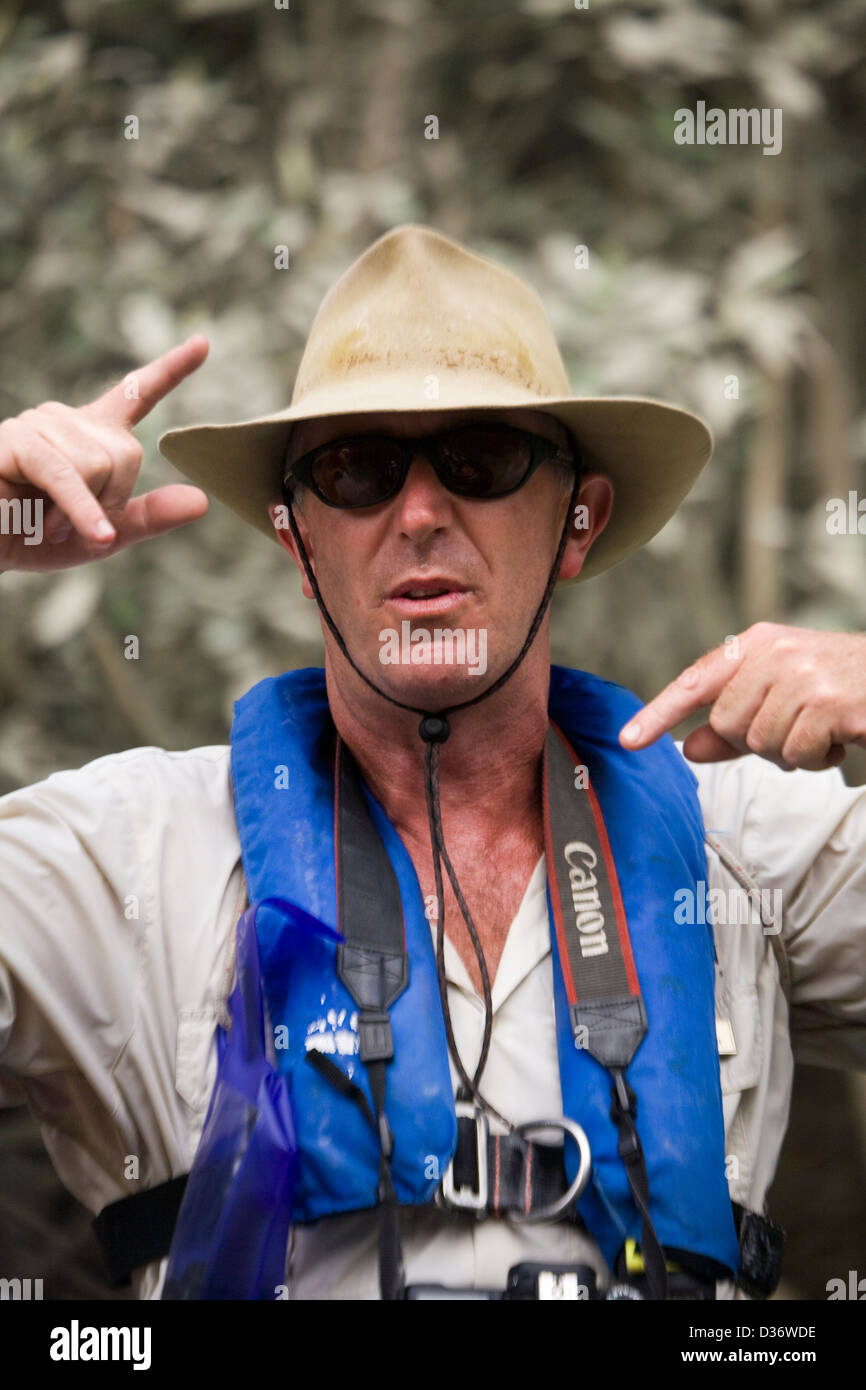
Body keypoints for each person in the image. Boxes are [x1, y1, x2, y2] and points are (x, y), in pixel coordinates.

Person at [1, 225, 864, 1302]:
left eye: (480, 459)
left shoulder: (744, 847)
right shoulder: (125, 859)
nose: (417, 515)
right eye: (356, 470)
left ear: (579, 523)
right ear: (297, 541)